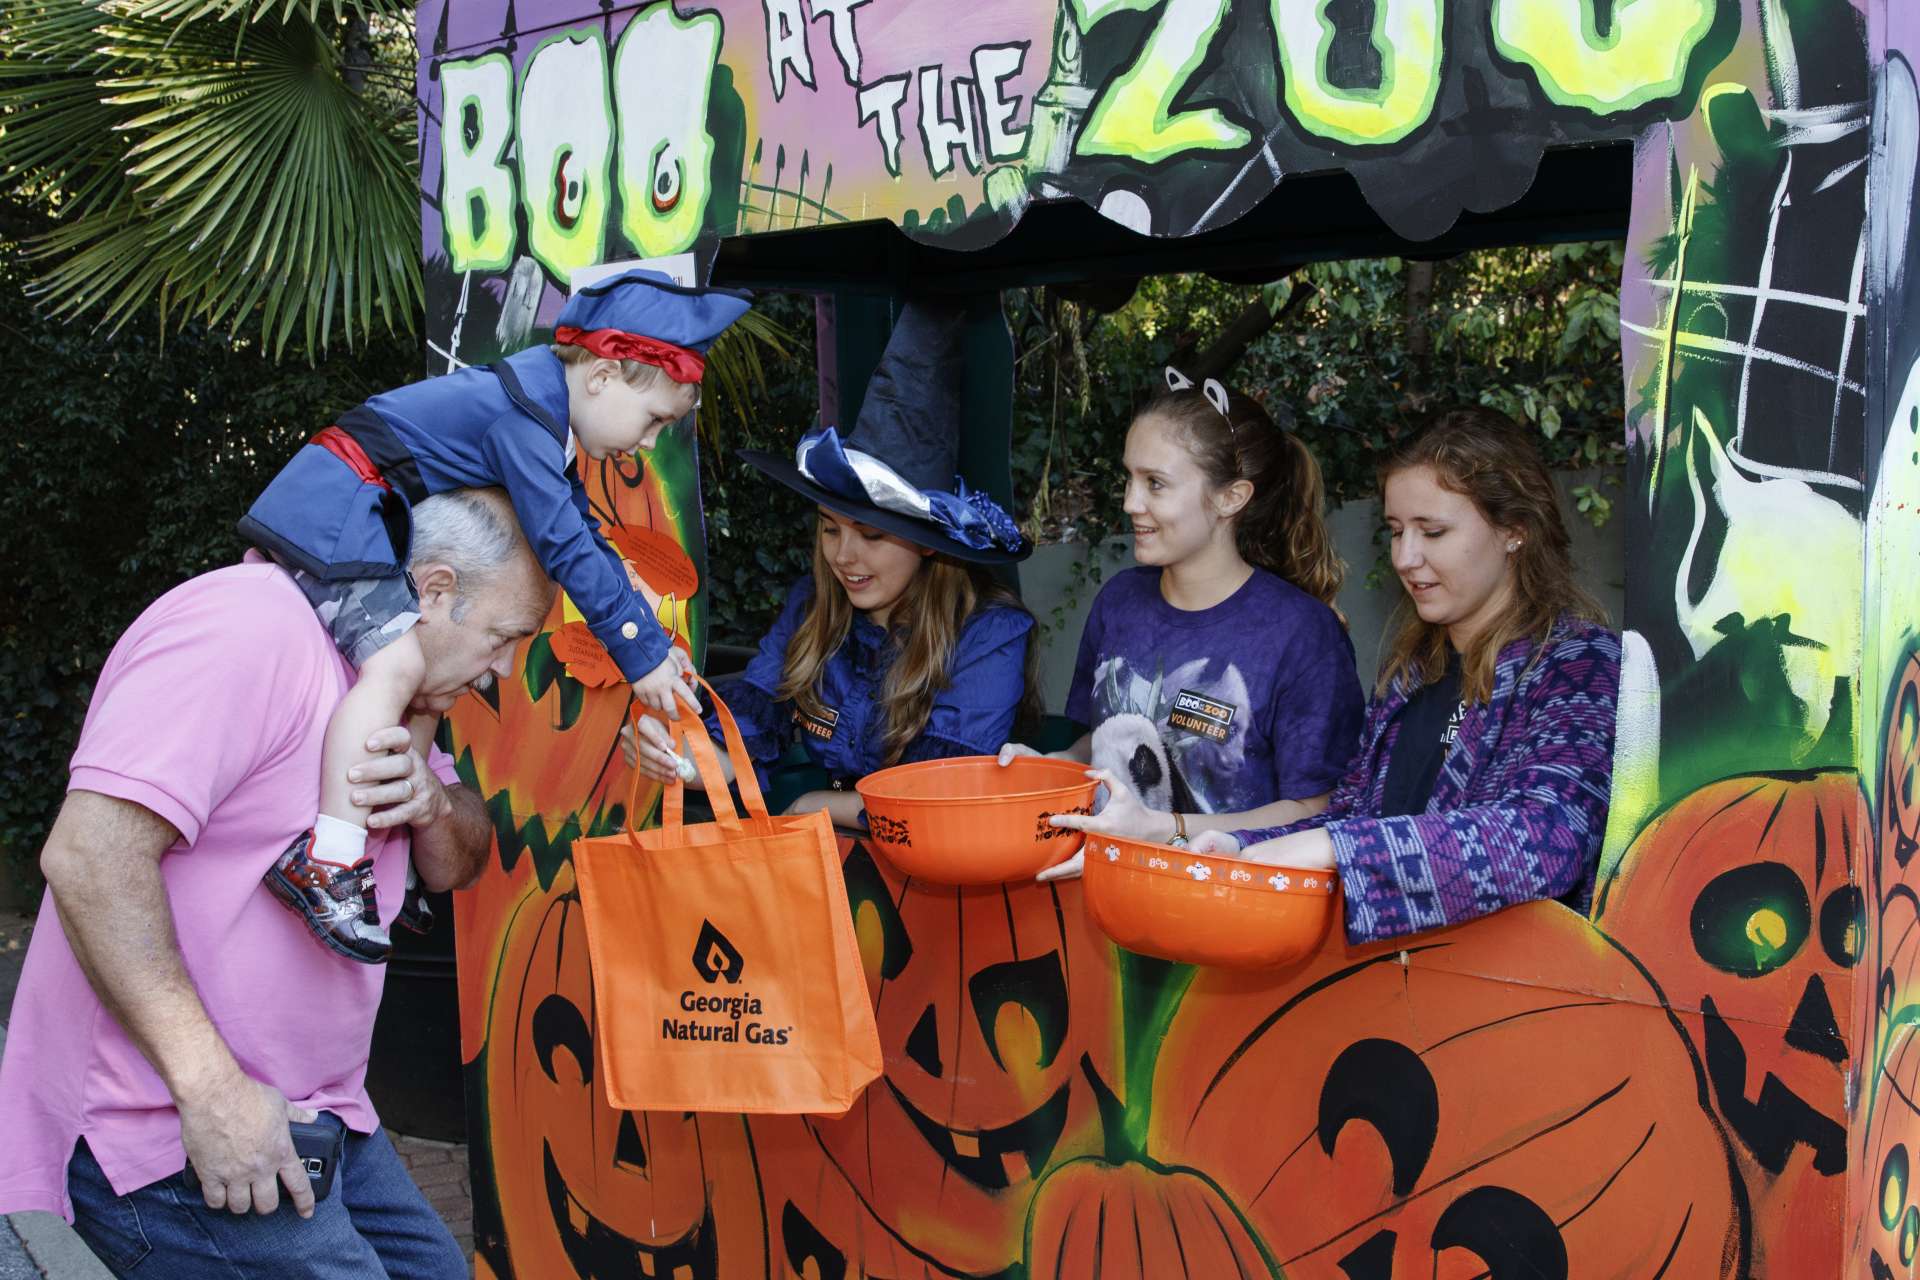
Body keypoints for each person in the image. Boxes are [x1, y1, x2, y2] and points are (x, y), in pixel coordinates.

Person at [0, 487, 548, 1278]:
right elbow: (89, 856)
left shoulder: (389, 686)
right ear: (433, 591)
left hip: (319, 1113)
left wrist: (432, 802)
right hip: (170, 1120)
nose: (501, 671)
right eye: (503, 638)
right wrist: (213, 1092)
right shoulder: (247, 629)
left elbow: (458, 862)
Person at [239, 269, 750, 962]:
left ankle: (396, 868)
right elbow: (562, 543)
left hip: (368, 508)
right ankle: (329, 861)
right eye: (655, 420)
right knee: (395, 668)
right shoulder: (528, 418)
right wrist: (640, 658)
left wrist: (655, 644)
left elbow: (584, 532)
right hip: (338, 504)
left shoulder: (543, 411)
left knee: (427, 696)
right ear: (601, 376)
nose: (652, 442)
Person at [1192, 407, 1623, 944]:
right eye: (1396, 531)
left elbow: (1549, 836)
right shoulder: (1412, 674)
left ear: (1515, 530)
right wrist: (1244, 846)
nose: (1405, 556)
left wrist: (1340, 853)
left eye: (1433, 531)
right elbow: (1351, 816)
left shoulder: (1580, 663)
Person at [627, 299, 1039, 823]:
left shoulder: (991, 632)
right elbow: (760, 711)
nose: (843, 556)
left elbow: (944, 795)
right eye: (829, 528)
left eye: (870, 534)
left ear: (930, 543)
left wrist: (818, 806)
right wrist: (686, 760)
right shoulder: (814, 605)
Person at [998, 369, 1364, 876]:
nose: (1130, 503)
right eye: (1128, 477)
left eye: (1155, 483)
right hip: (1104, 901)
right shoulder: (1120, 601)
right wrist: (1052, 767)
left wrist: (1164, 828)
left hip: (1228, 914)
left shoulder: (1304, 635)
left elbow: (1316, 811)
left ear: (1230, 498)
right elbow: (1102, 743)